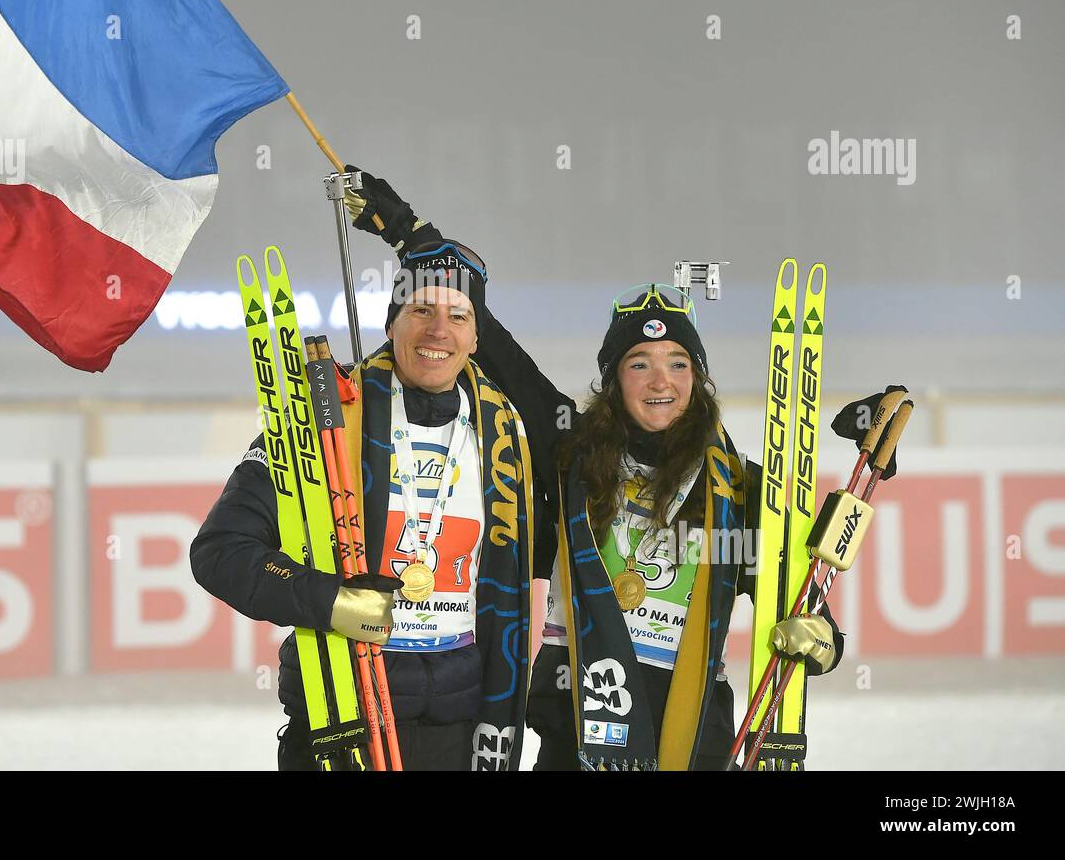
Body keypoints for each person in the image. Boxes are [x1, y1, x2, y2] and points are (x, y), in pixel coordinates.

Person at [346, 169, 866, 771]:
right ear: (615, 380)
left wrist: (822, 639)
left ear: (696, 379)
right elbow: (482, 337)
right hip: (574, 733)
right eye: (638, 363)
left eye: (676, 362)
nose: (660, 380)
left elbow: (792, 591)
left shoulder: (733, 489)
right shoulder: (569, 449)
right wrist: (411, 235)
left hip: (688, 736)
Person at [190, 237, 536, 770]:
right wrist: (333, 602)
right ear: (391, 323)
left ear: (476, 335)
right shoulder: (323, 418)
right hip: (341, 725)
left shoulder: (504, 436)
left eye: (458, 314)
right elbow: (222, 552)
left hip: (458, 735)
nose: (438, 330)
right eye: (420, 309)